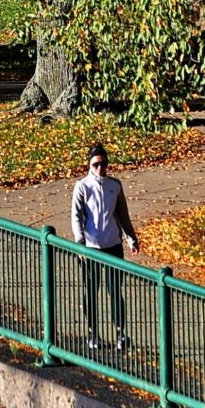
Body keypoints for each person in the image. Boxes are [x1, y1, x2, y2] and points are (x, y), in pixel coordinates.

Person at [70, 144, 140, 352]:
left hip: (113, 246)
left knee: (115, 292)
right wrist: (80, 242)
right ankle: (93, 334)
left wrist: (131, 238)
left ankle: (120, 333)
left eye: (104, 164)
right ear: (89, 165)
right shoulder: (82, 187)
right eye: (96, 164)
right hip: (91, 248)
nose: (100, 169)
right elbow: (77, 216)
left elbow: (122, 214)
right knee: (91, 291)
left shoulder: (114, 186)